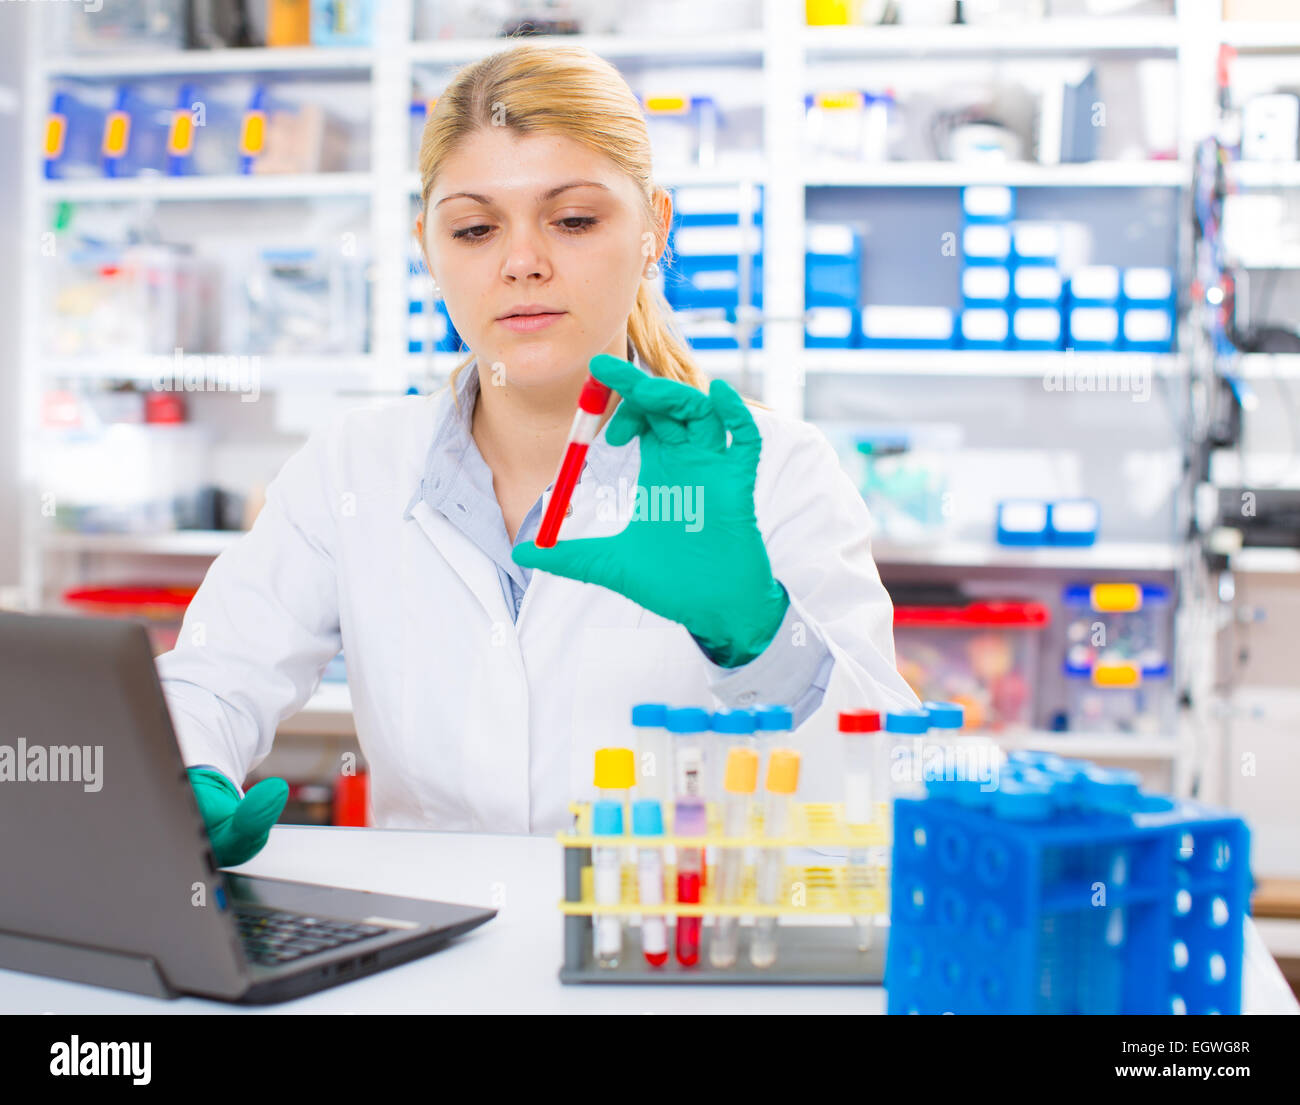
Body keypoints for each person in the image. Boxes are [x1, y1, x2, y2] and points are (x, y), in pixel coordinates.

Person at [159, 42, 921, 867]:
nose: (522, 261)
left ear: (653, 229)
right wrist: (185, 772)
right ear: (428, 246)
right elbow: (212, 678)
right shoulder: (353, 468)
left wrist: (760, 637)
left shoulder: (772, 473)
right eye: (477, 228)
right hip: (427, 969)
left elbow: (889, 793)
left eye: (574, 220)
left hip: (667, 967)